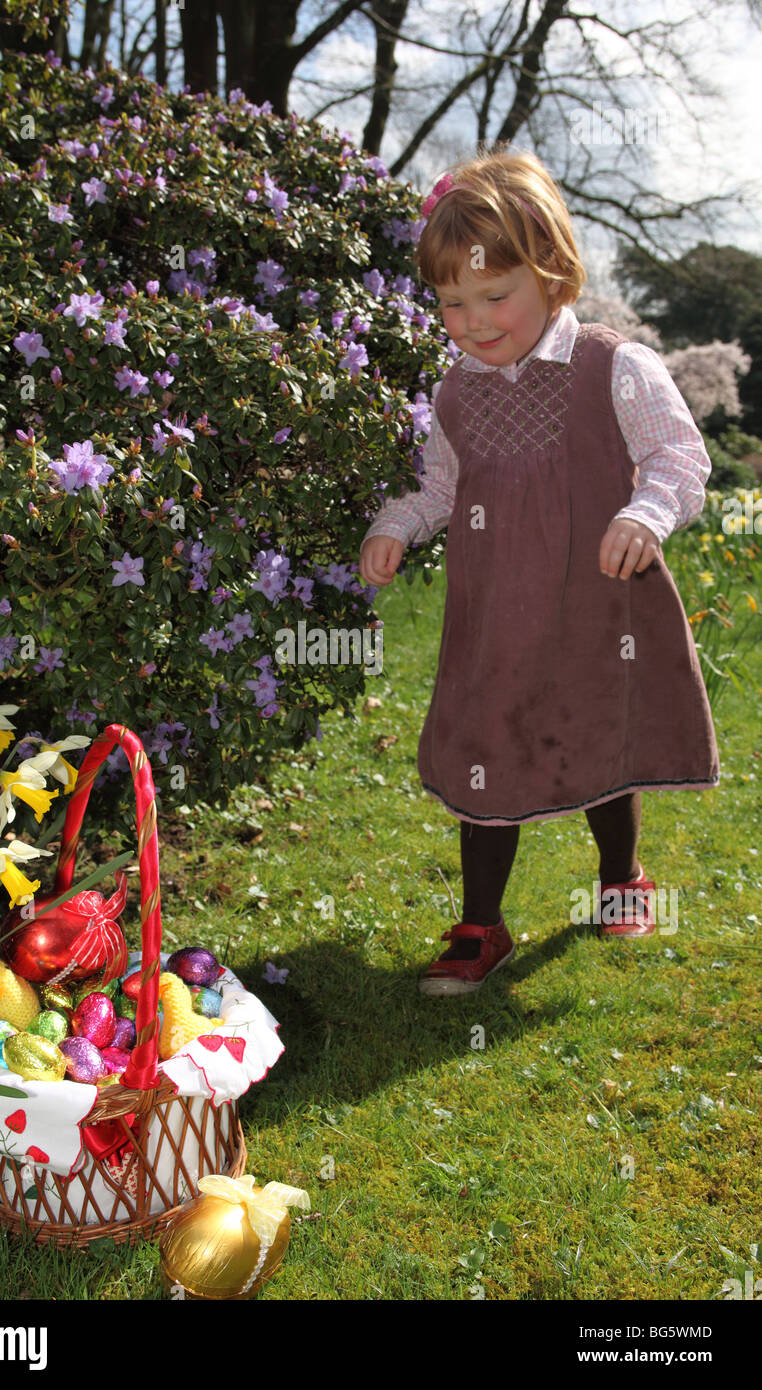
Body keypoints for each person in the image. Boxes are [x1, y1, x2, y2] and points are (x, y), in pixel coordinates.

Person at [358, 147, 719, 996]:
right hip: (497, 619)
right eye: (452, 302)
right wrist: (396, 525)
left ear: (551, 273)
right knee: (488, 743)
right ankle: (481, 924)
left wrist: (645, 513)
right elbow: (440, 487)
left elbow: (679, 457)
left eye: (494, 295)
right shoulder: (454, 394)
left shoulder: (611, 366)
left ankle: (621, 878)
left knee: (600, 731)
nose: (474, 321)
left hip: (600, 610)